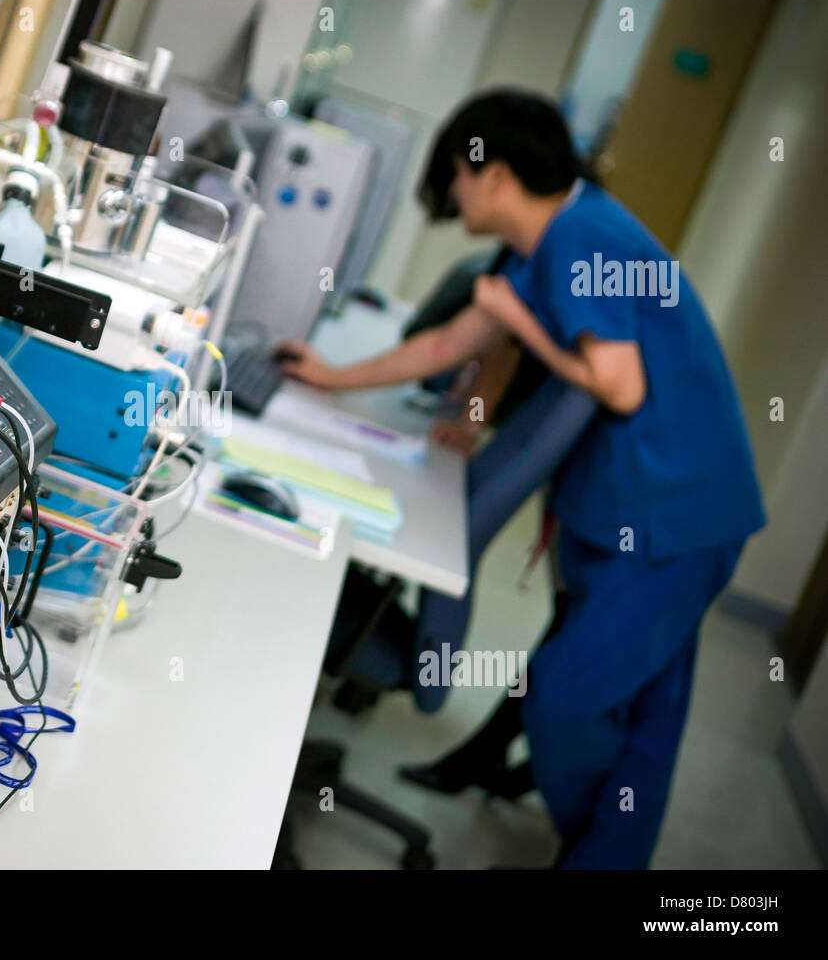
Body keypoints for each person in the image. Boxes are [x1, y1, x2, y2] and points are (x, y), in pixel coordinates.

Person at [277, 90, 765, 869]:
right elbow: (457, 342)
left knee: (566, 697)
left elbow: (621, 384)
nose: (454, 197)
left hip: (672, 510)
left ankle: (593, 849)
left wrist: (519, 319)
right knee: (650, 707)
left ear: (493, 172)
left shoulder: (584, 240)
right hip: (652, 505)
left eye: (458, 178)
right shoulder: (546, 239)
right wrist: (336, 378)